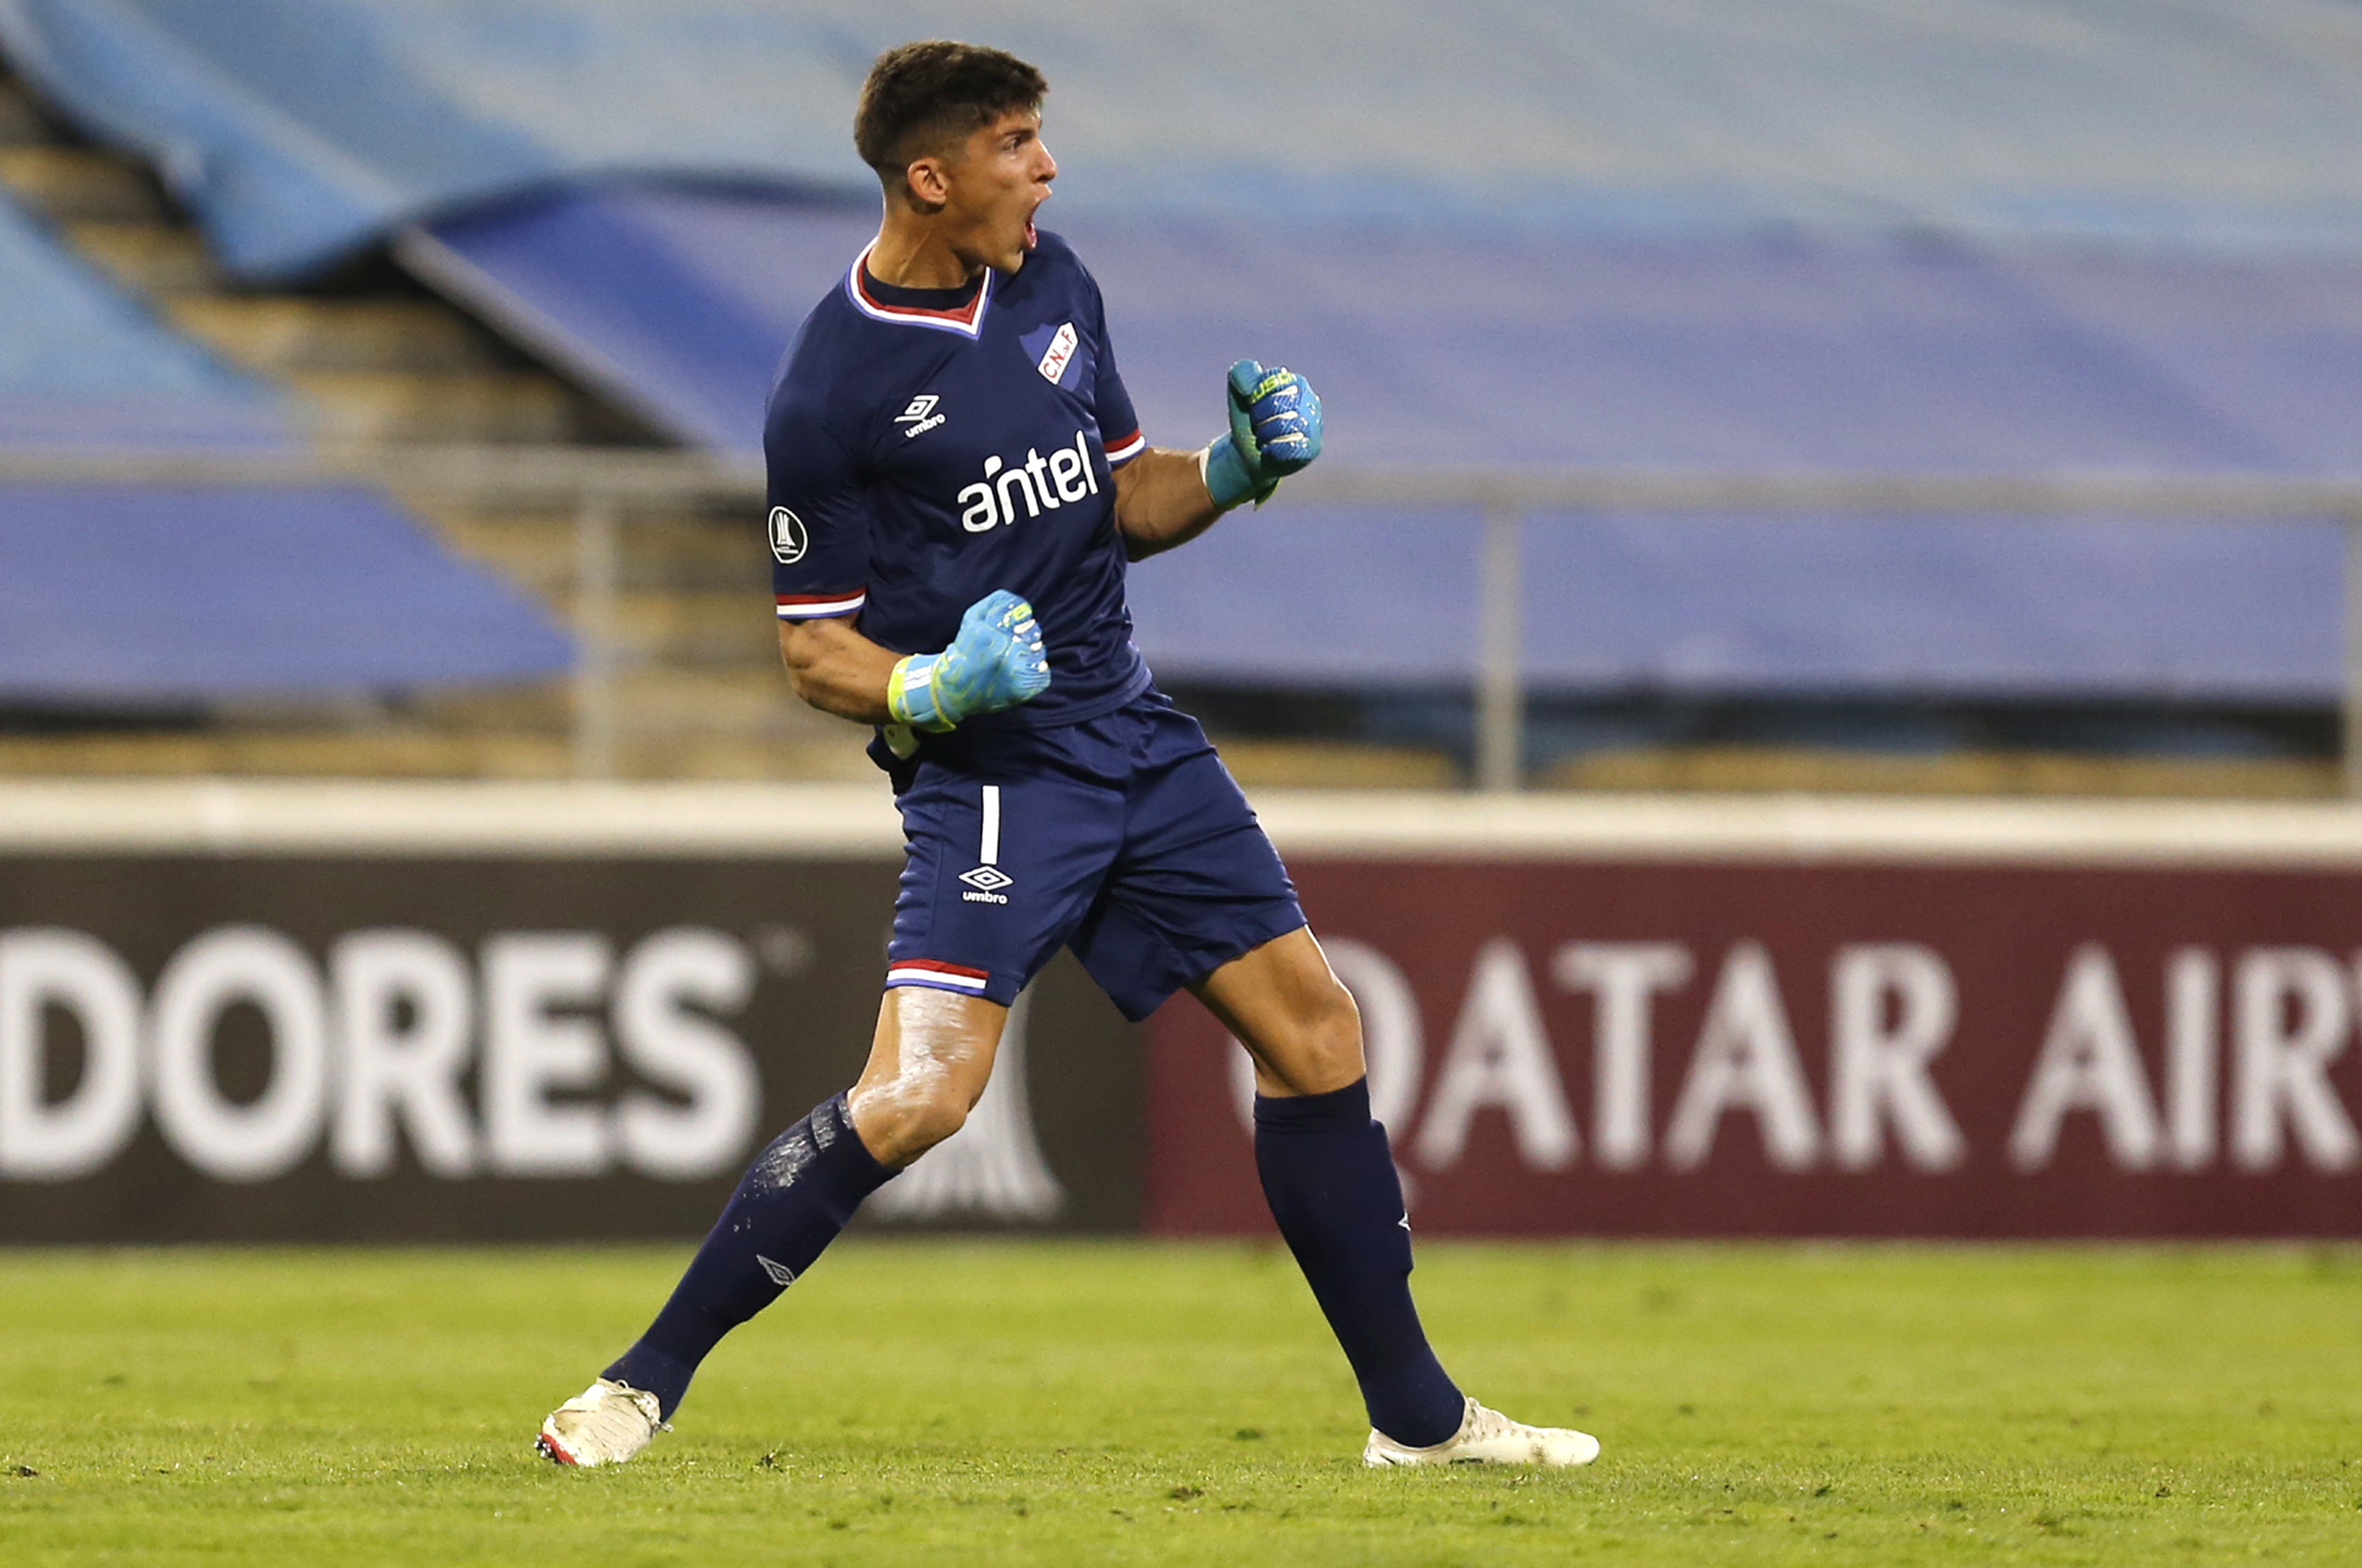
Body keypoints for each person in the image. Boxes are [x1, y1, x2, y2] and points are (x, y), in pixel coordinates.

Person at [536, 38, 1598, 1472]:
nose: (1046, 167)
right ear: (934, 175)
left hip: (1135, 734)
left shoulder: (1055, 282)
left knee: (1318, 1031)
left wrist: (1231, 471)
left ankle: (1416, 1420)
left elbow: (1120, 498)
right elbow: (813, 650)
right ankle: (636, 1385)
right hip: (993, 775)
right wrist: (936, 681)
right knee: (920, 1098)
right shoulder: (831, 391)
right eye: (1018, 144)